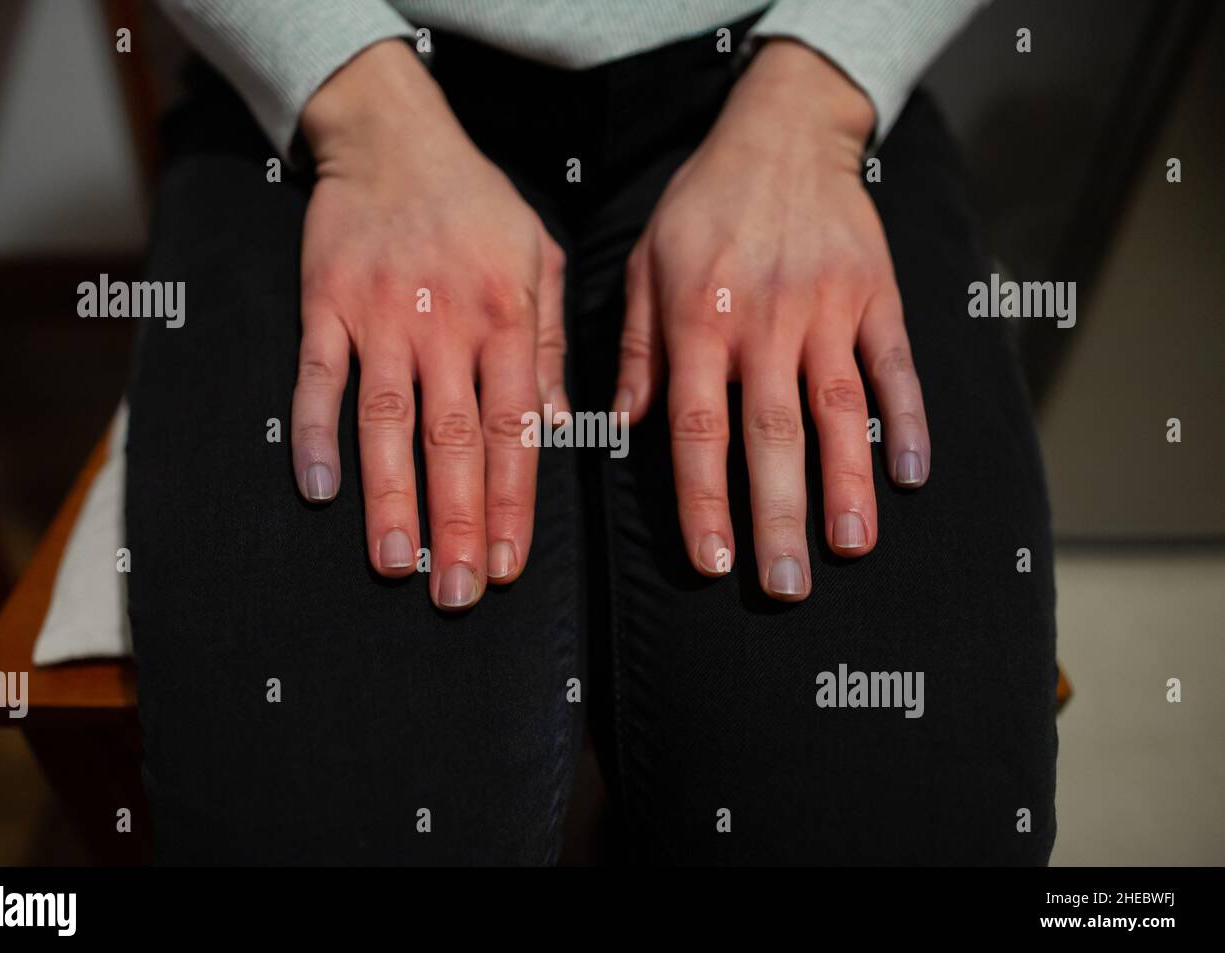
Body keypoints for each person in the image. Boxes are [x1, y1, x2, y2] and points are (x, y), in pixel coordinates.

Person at [128, 0, 1057, 864]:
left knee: (900, 824)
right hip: (339, 76)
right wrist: (357, 108)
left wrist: (815, 103)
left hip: (791, 82)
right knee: (343, 826)